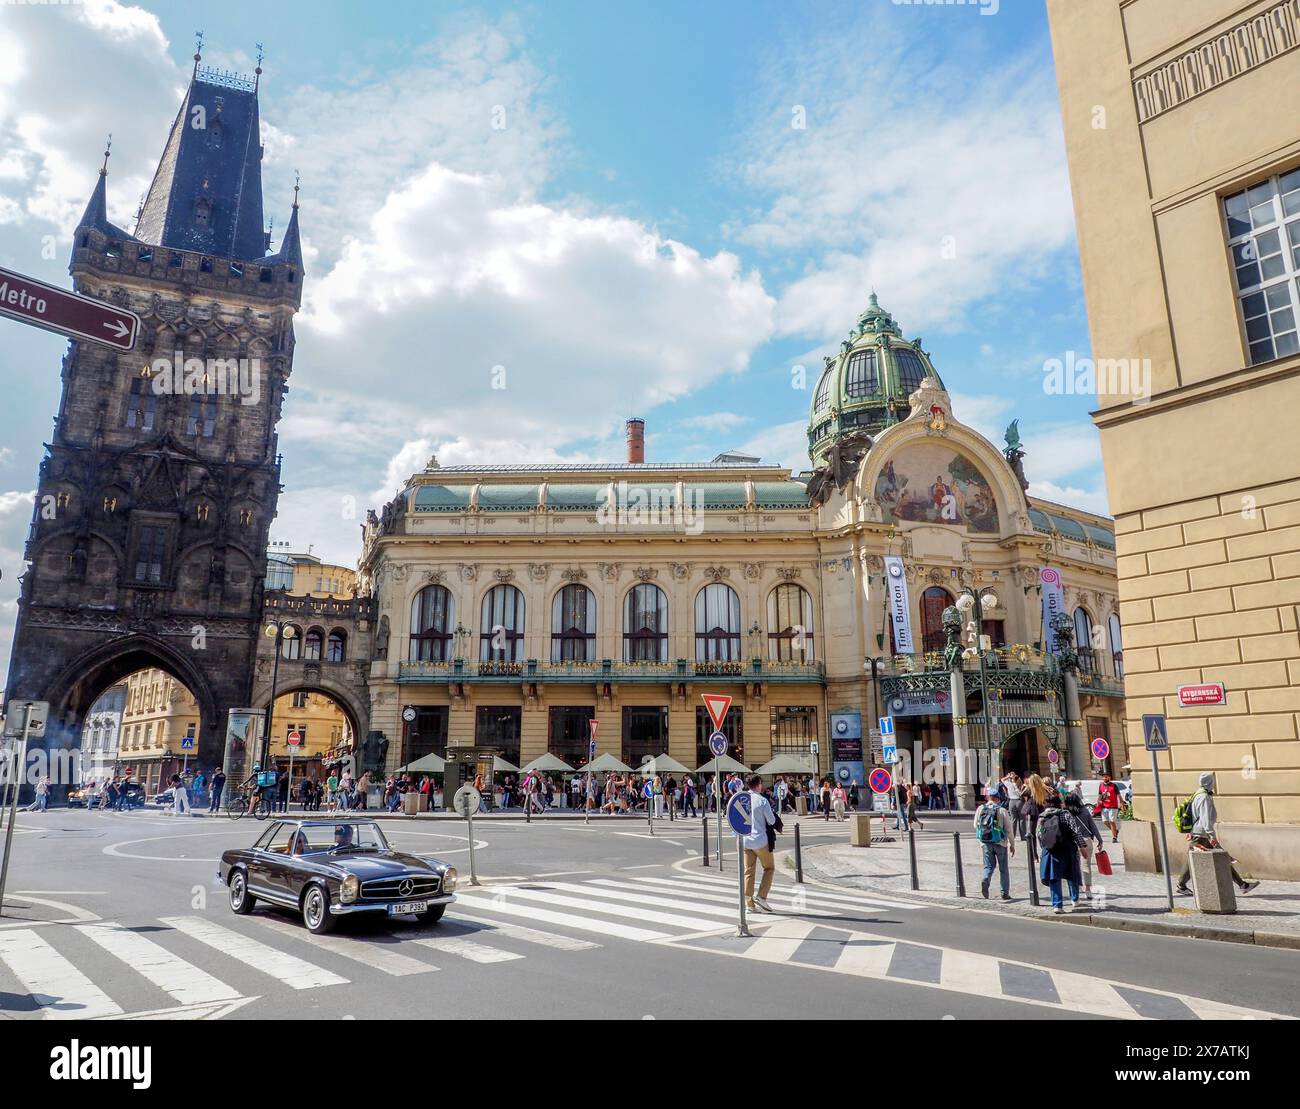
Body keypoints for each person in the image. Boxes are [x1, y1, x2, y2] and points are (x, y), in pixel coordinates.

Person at [1175, 772, 1259, 896]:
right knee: (1199, 860)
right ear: (1209, 782)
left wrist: (1191, 831)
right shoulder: (1203, 797)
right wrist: (1211, 835)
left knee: (1214, 858)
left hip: (1199, 833)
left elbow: (1194, 815)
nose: (1214, 783)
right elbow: (1204, 819)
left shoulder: (1198, 794)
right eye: (1213, 780)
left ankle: (1242, 885)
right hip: (1202, 834)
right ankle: (1181, 885)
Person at [1037, 792, 1087, 913]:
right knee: (1072, 873)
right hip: (1068, 848)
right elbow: (1076, 831)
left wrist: (1044, 848)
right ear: (1059, 803)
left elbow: (1038, 834)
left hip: (1051, 850)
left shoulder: (1042, 817)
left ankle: (1057, 905)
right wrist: (1082, 846)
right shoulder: (1066, 814)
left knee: (1054, 877)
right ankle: (1075, 900)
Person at [741, 774, 778, 913]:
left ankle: (749, 904)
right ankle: (762, 896)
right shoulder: (762, 801)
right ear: (758, 785)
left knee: (748, 872)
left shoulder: (742, 798)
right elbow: (772, 821)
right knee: (769, 868)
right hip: (760, 840)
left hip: (745, 840)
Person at [974, 785, 1015, 900]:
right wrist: (1012, 844)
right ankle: (1004, 893)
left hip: (985, 842)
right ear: (997, 798)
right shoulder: (1002, 810)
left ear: (988, 797)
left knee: (988, 866)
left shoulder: (980, 809)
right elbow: (1009, 829)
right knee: (1003, 869)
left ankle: (985, 878)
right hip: (1000, 842)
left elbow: (975, 825)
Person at [1064, 791, 1105, 900]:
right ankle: (1088, 890)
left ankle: (1076, 888)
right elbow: (1093, 826)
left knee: (1075, 866)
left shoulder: (1066, 813)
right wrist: (1100, 840)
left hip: (1073, 842)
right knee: (1086, 865)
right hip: (1086, 841)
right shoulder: (1085, 811)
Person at [1097, 773, 1121, 843]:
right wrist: (1098, 801)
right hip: (1104, 806)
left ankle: (1114, 837)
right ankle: (1115, 831)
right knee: (1104, 821)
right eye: (1103, 777)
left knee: (1112, 821)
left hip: (1113, 806)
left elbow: (1119, 795)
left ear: (1109, 778)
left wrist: (1122, 803)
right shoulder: (1101, 785)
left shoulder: (1114, 786)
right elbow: (1100, 794)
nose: (1104, 778)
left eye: (1106, 777)